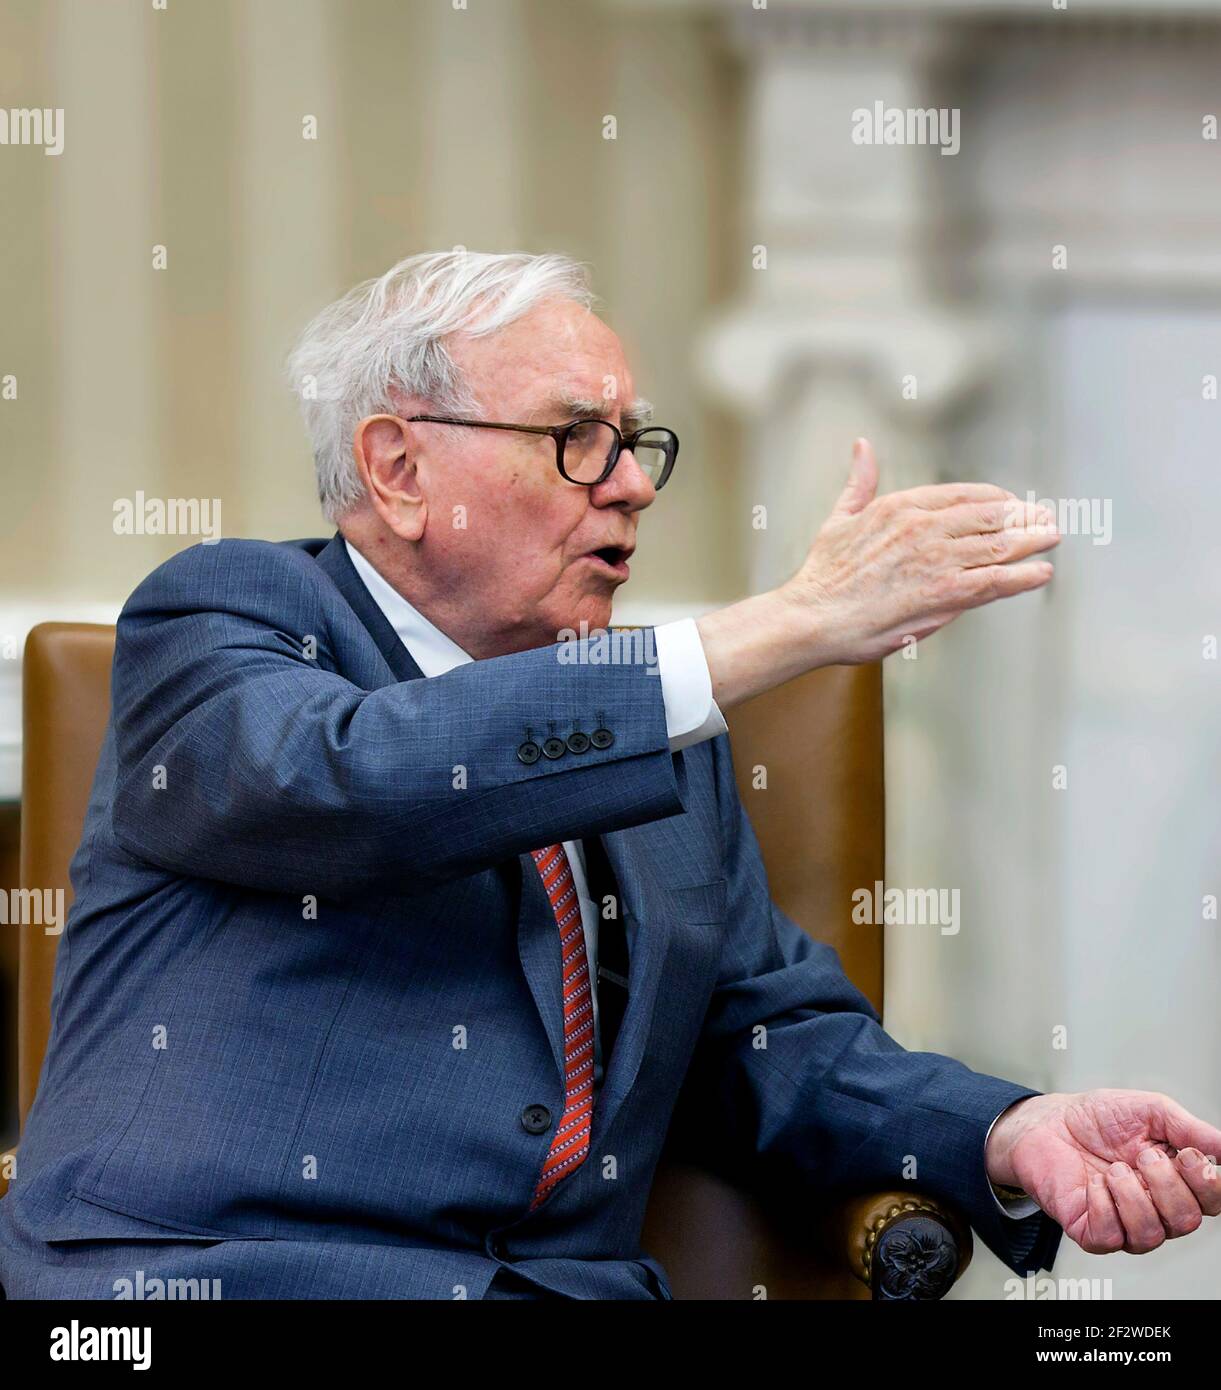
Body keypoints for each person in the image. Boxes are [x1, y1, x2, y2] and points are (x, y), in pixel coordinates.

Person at [1, 251, 1216, 1301]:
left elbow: (767, 1036)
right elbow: (355, 780)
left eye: (635, 445)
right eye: (578, 438)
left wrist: (1011, 1130)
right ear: (398, 468)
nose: (631, 482)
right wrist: (790, 626)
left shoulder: (667, 741)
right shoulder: (224, 622)